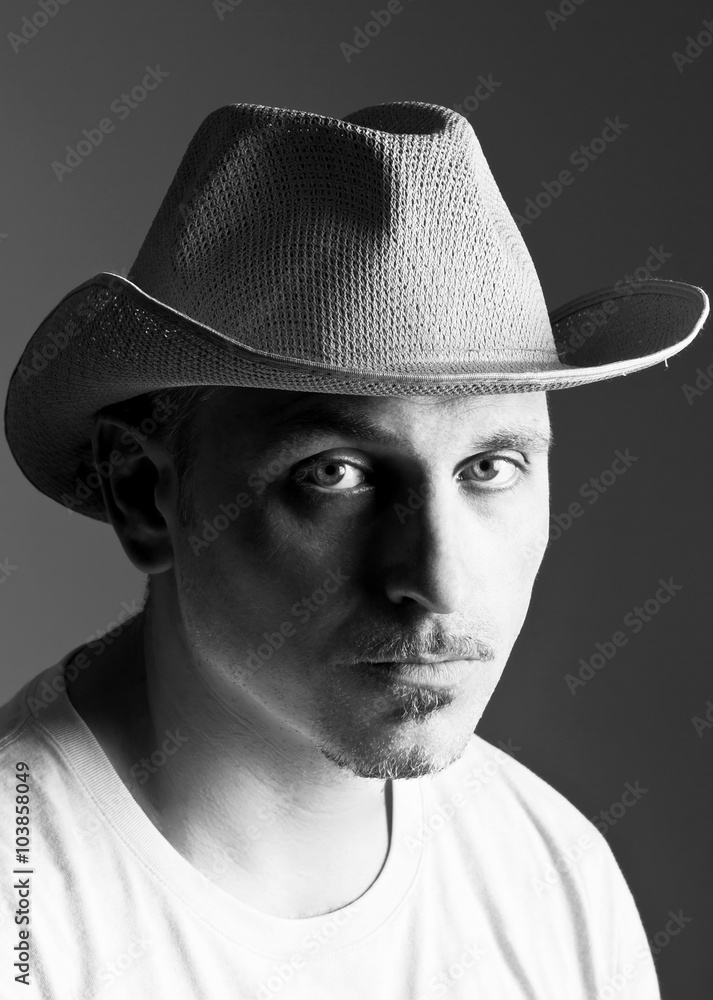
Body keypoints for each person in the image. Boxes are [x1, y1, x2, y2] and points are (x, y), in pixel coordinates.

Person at [1, 100, 708, 999]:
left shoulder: (552, 874)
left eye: (490, 466)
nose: (437, 581)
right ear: (145, 493)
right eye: (335, 473)